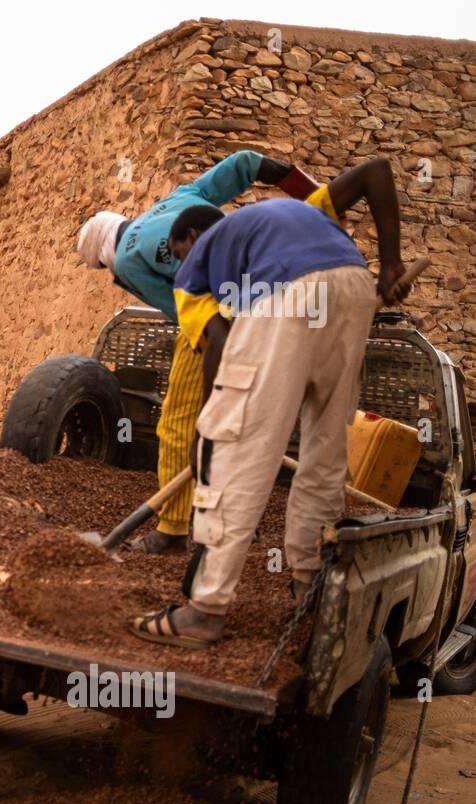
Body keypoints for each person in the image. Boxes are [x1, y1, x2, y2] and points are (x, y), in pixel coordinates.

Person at [130, 158, 411, 647]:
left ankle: (207, 607)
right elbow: (377, 172)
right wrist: (390, 265)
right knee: (324, 456)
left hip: (288, 296)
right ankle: (309, 589)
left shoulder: (197, 263)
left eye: (178, 251)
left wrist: (206, 430)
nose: (179, 263)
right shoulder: (305, 212)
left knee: (240, 451)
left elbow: (216, 345)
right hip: (353, 286)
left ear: (195, 235)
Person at [77, 151, 303, 553]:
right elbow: (244, 164)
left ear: (102, 254)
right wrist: (297, 183)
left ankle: (174, 528)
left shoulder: (127, 259)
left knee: (180, 422)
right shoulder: (177, 200)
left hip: (220, 316)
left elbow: (182, 306)